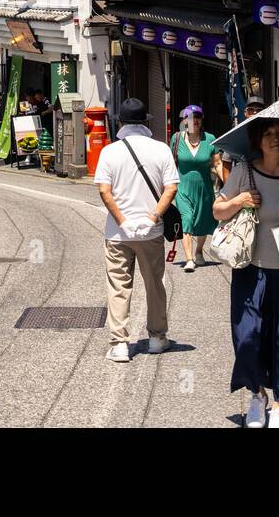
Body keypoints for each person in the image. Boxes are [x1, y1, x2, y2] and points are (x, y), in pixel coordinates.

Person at [213, 117, 279, 428]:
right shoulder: (244, 171)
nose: (276, 139)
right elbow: (217, 210)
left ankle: (278, 406)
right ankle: (257, 394)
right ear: (258, 141)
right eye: (269, 134)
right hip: (251, 271)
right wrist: (240, 200)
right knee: (247, 337)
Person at [93, 97, 179, 363]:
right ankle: (156, 338)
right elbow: (171, 187)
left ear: (120, 123)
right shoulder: (161, 149)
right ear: (145, 123)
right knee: (154, 284)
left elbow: (104, 191)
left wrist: (122, 220)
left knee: (119, 285)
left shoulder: (110, 151)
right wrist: (153, 217)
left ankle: (120, 343)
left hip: (118, 234)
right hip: (151, 232)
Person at [170, 105, 218, 273]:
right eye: (190, 117)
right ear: (184, 121)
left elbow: (217, 163)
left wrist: (227, 181)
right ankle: (189, 259)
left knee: (203, 221)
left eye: (197, 117)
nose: (194, 120)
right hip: (183, 187)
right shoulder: (176, 139)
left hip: (204, 188)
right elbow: (170, 163)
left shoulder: (210, 138)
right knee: (187, 218)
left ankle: (199, 251)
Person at [220, 93, 266, 184]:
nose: (254, 113)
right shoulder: (236, 134)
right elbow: (226, 162)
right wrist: (229, 188)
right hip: (243, 183)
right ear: (245, 112)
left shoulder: (270, 133)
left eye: (259, 110)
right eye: (251, 110)